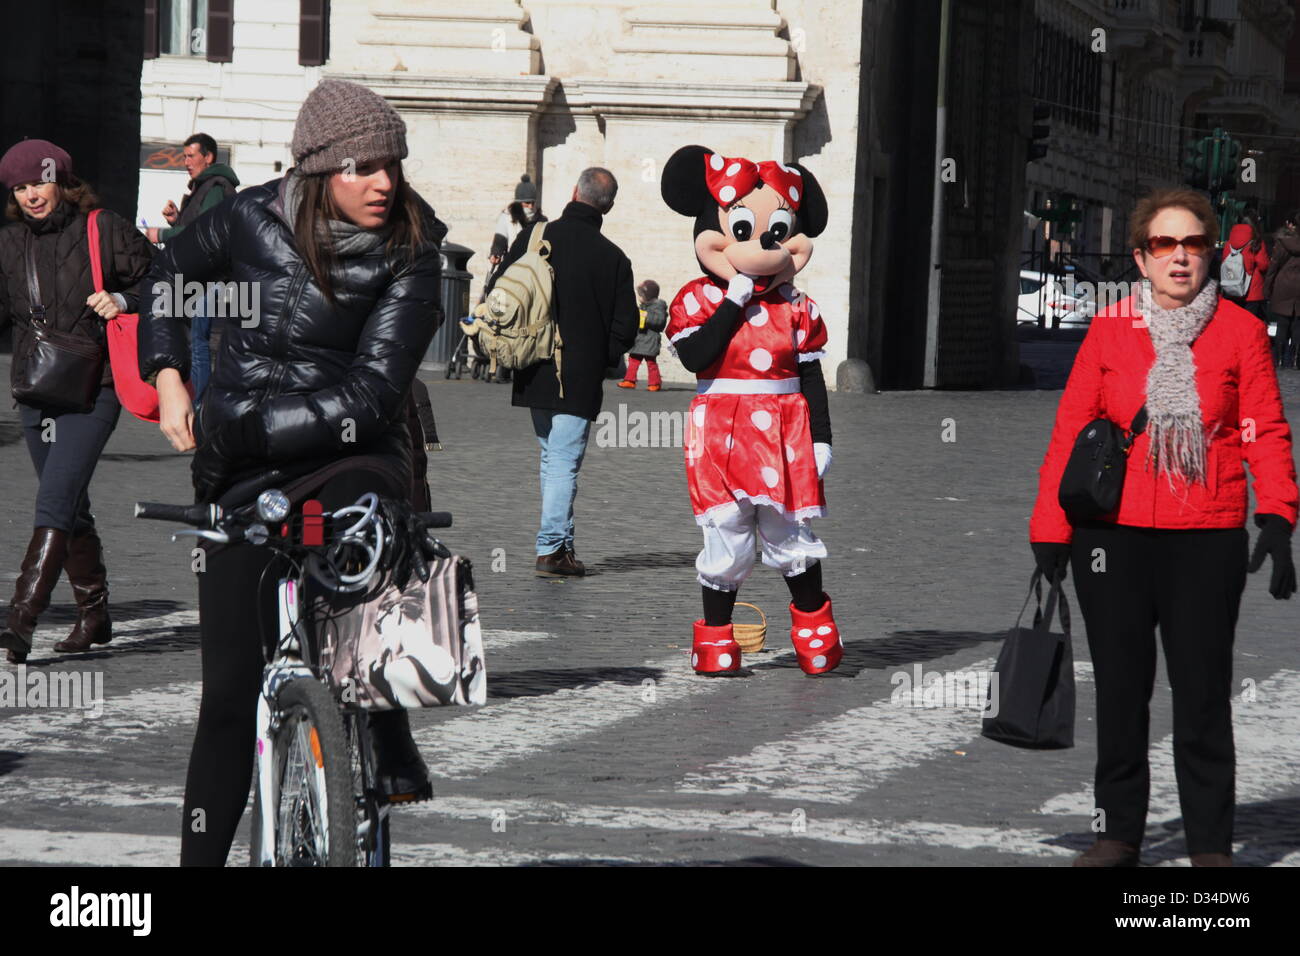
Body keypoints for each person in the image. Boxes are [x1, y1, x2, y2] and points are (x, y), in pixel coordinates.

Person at [137, 79, 448, 866]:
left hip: (350, 448)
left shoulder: (412, 248)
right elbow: (168, 275)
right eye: (362, 168)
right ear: (317, 172)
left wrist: (238, 426)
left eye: (392, 166)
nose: (384, 183)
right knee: (227, 693)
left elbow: (376, 391)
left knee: (363, 531)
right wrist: (169, 371)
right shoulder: (249, 218)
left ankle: (381, 717)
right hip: (240, 470)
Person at [1030, 187, 1297, 867]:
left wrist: (1277, 513)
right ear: (1142, 257)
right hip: (1111, 538)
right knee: (1121, 693)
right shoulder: (1110, 328)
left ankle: (1209, 845)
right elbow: (1073, 431)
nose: (1180, 258)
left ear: (1211, 253)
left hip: (1206, 537)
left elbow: (1262, 426)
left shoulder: (1239, 332)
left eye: (1194, 244)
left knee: (1202, 696)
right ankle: (1117, 835)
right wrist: (1052, 531)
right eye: (1164, 245)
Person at [660, 145, 841, 676]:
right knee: (728, 537)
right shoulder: (697, 299)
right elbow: (696, 355)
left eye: (777, 231)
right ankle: (715, 642)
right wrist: (734, 300)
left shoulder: (798, 307)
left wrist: (823, 438)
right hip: (721, 434)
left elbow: (810, 375)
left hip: (786, 433)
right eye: (744, 229)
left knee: (790, 535)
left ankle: (815, 636)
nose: (764, 244)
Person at [0, 139, 154, 664]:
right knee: (68, 502)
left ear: (62, 181)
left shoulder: (103, 228)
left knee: (54, 500)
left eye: (38, 182)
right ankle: (95, 612)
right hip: (37, 389)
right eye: (19, 187)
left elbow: (169, 282)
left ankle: (22, 617)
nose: (30, 195)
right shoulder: (9, 243)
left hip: (96, 388)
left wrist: (124, 299)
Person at [491, 167, 638, 576]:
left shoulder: (535, 237)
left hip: (534, 365)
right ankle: (552, 549)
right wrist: (596, 357)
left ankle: (562, 545)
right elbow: (625, 327)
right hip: (577, 377)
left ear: (574, 192)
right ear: (608, 206)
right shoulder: (614, 258)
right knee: (561, 462)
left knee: (552, 459)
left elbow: (499, 291)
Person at [146, 133, 239, 404]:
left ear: (208, 157)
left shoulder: (215, 187)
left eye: (190, 155)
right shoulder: (204, 187)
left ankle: (198, 406)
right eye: (184, 155)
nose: (185, 161)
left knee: (197, 342)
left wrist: (163, 235)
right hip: (198, 275)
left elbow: (203, 233)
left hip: (208, 278)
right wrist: (176, 221)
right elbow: (197, 231)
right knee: (192, 340)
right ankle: (197, 401)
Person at [1264, 211, 1300, 369]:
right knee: (1298, 325)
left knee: (1282, 324)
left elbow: (1273, 268)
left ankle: (1278, 360)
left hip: (1283, 285)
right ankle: (1295, 360)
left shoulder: (1283, 242)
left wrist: (1267, 289)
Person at [1219, 211, 1268, 321]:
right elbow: (1263, 265)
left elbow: (1224, 261)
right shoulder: (1257, 242)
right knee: (1249, 324)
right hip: (1251, 292)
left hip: (1231, 289)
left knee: (1232, 323)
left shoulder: (1229, 243)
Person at [618, 280, 667, 391]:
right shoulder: (644, 306)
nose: (639, 298)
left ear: (647, 296)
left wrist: (645, 317)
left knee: (651, 362)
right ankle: (629, 380)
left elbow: (659, 321)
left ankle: (654, 383)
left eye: (640, 295)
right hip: (639, 340)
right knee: (633, 359)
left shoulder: (658, 306)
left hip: (650, 340)